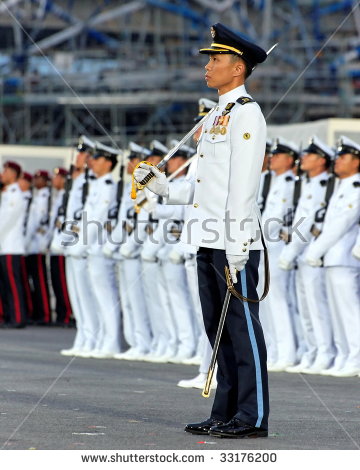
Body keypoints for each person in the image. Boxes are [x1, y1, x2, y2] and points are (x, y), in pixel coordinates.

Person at [134, 23, 269, 438]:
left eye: (215, 59)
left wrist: (239, 243)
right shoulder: (215, 115)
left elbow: (244, 186)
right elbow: (204, 185)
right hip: (207, 237)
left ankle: (253, 416)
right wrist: (163, 187)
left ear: (238, 68)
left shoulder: (246, 113)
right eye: (208, 60)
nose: (207, 67)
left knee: (242, 331)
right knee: (219, 330)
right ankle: (225, 411)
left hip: (232, 239)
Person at [279, 137, 335, 374]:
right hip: (304, 253)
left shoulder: (325, 185)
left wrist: (291, 250)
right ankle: (312, 352)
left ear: (321, 160)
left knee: (317, 306)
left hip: (316, 253)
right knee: (305, 306)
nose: (303, 158)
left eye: (309, 155)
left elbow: (309, 221)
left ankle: (325, 352)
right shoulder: (308, 183)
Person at [306, 136, 360, 377]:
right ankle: (344, 355)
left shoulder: (356, 186)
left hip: (345, 257)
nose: (337, 161)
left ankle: (355, 357)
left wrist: (315, 251)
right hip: (332, 257)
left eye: (344, 157)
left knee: (349, 312)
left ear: (356, 162)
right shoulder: (341, 185)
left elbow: (341, 224)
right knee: (338, 312)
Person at [260, 138, 298, 371]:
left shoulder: (287, 182)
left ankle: (287, 353)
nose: (272, 157)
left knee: (279, 302)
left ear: (289, 159)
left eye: (278, 154)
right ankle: (273, 350)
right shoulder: (271, 180)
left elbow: (274, 218)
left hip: (276, 247)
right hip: (265, 248)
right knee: (266, 302)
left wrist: (252, 236)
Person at [0, 161, 28, 328]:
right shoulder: (6, 193)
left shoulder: (16, 194)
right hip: (4, 245)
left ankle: (18, 317)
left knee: (13, 284)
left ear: (14, 174)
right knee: (5, 284)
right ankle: (10, 315)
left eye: (6, 171)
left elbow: (7, 222)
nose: (3, 173)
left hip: (11, 245)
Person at [25, 170, 52, 325]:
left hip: (38, 243)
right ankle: (38, 312)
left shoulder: (44, 196)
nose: (35, 181)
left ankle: (45, 314)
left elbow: (39, 221)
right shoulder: (38, 196)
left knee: (40, 281)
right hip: (33, 244)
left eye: (38, 178)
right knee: (35, 280)